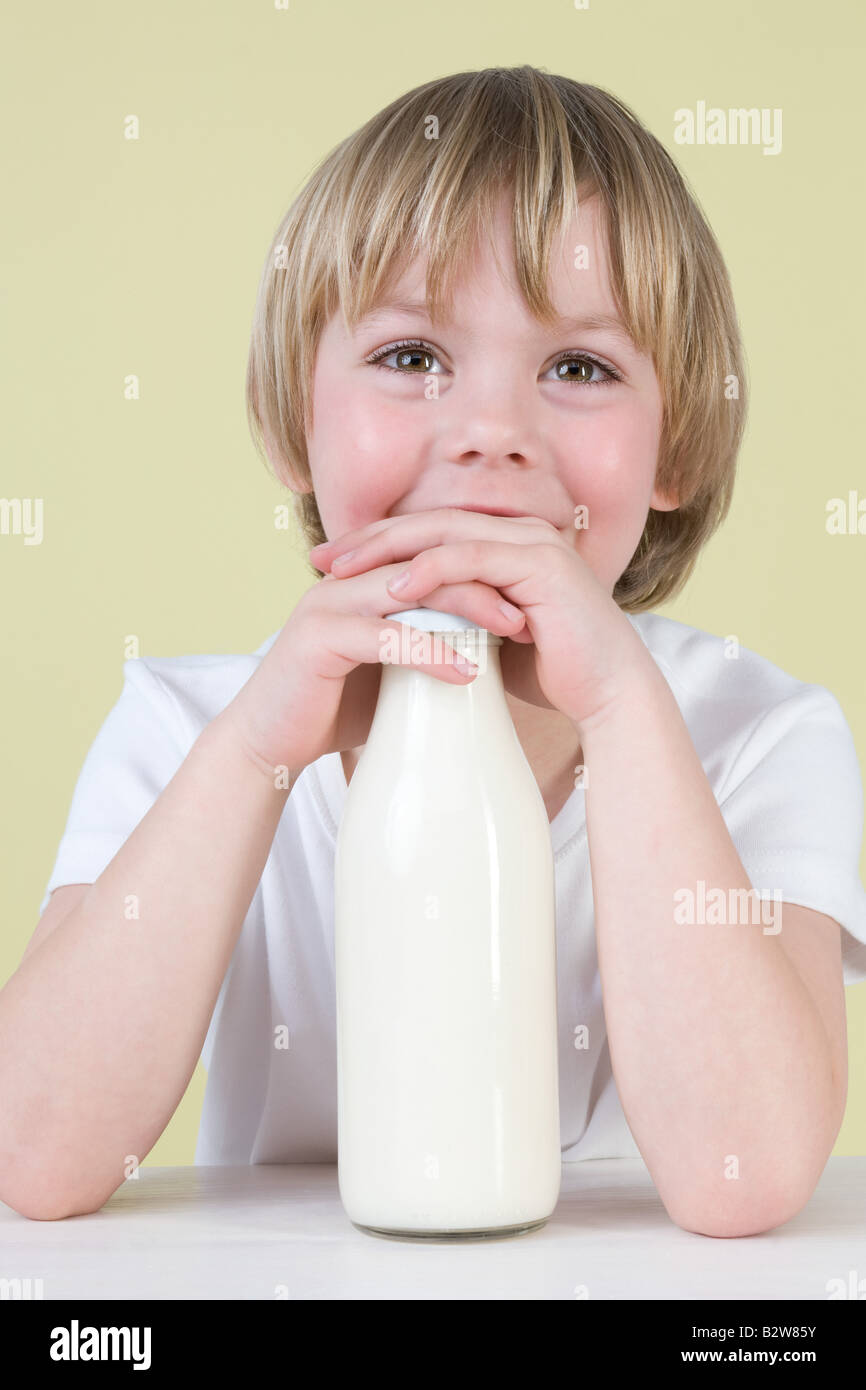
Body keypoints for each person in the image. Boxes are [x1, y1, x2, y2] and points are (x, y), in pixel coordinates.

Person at [5, 66, 865, 1236]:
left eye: (578, 368)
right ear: (292, 420)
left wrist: (619, 709)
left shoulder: (759, 737)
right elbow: (37, 1154)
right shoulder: (184, 726)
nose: (490, 434)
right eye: (411, 355)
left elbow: (744, 1176)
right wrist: (256, 748)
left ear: (677, 445)